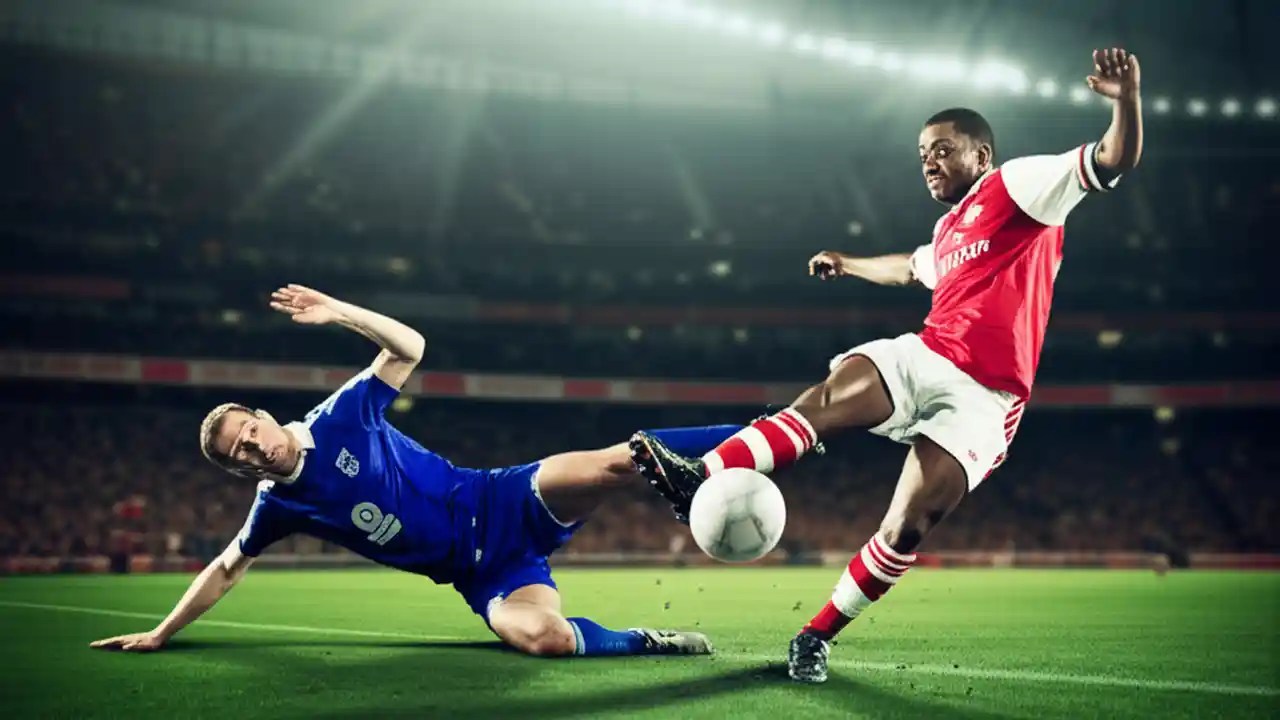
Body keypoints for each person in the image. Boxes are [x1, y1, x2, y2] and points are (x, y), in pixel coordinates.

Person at [628, 48, 1144, 682]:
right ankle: (699, 477)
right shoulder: (950, 231)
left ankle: (814, 636)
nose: (929, 161)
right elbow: (908, 267)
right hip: (926, 352)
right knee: (827, 398)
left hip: (987, 397)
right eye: (923, 153)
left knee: (907, 527)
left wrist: (1125, 102)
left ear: (981, 154)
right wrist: (848, 262)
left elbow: (1113, 159)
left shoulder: (1018, 186)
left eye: (943, 149)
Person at [91, 284, 744, 658]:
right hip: (486, 574)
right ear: (239, 471)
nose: (252, 447)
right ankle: (647, 641)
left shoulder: (339, 417)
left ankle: (767, 430)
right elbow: (226, 567)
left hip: (500, 500)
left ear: (262, 417)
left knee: (619, 462)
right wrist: (162, 632)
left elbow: (410, 348)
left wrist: (339, 312)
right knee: (542, 639)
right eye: (239, 453)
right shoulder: (277, 506)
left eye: (248, 431)